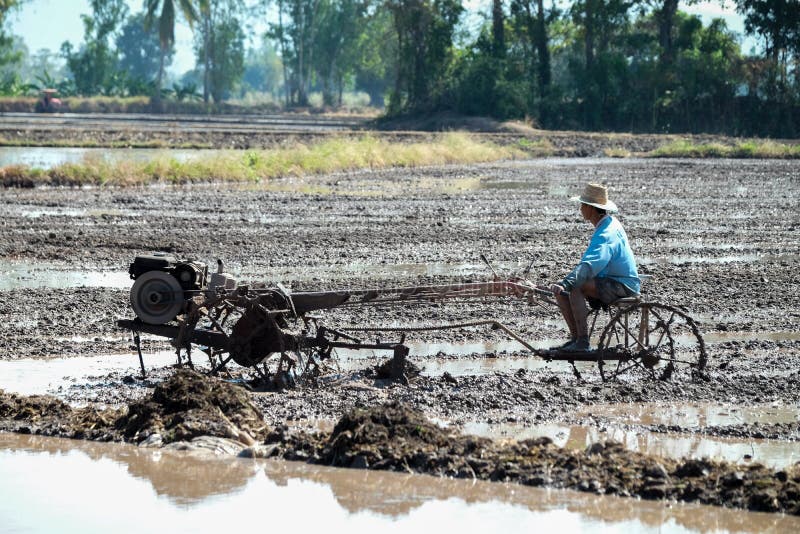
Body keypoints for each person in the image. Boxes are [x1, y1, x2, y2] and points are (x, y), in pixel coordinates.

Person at [547, 183, 640, 352]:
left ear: (591, 209)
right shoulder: (609, 223)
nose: (581, 208)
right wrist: (565, 284)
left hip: (622, 285)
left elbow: (592, 263)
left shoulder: (606, 233)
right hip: (612, 280)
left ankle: (582, 342)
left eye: (583, 205)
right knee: (562, 291)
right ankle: (575, 339)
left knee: (575, 286)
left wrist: (568, 283)